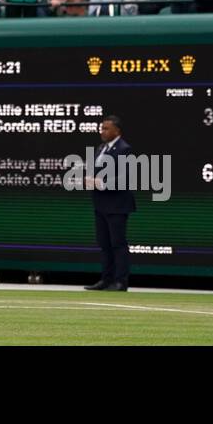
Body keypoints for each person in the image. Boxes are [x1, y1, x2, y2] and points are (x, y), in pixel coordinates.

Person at [84, 116, 136, 292]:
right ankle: (106, 279)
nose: (102, 131)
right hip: (101, 204)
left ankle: (120, 281)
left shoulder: (125, 150)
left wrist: (103, 184)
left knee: (118, 243)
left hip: (117, 204)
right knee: (104, 244)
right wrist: (90, 180)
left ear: (117, 131)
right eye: (102, 128)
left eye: (106, 128)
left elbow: (127, 177)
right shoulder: (101, 148)